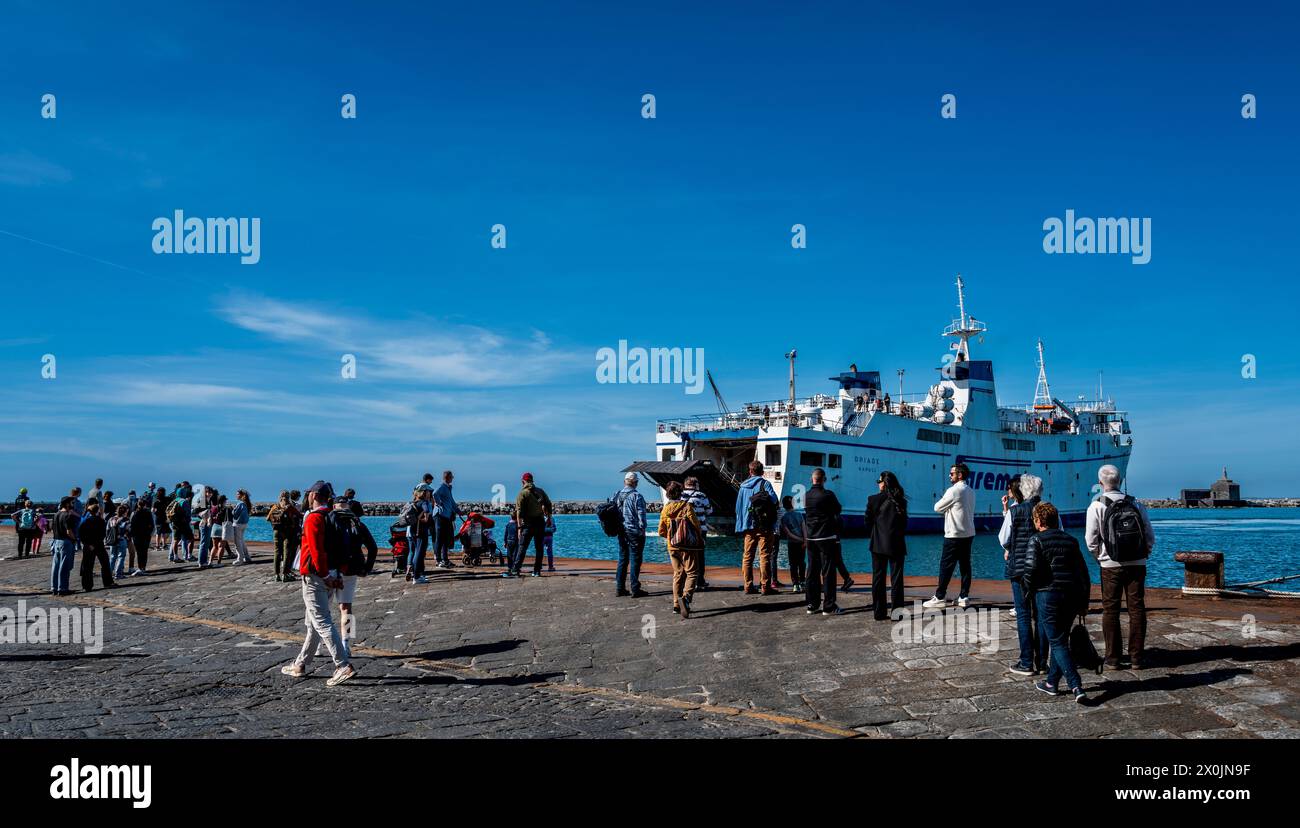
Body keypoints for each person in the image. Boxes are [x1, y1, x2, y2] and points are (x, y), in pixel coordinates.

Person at [281, 481, 356, 687]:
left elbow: (315, 550)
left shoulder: (314, 518)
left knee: (321, 621)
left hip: (317, 577)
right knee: (314, 622)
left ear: (313, 495)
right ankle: (301, 664)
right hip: (333, 573)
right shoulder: (334, 517)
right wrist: (337, 573)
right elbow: (342, 547)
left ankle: (342, 665)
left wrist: (324, 575)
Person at [1085, 464, 1155, 669]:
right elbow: (1149, 535)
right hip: (1137, 563)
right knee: (1137, 608)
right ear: (1120, 481)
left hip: (1110, 565)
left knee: (1111, 610)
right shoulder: (1136, 504)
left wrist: (1101, 557)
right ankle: (1136, 657)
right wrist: (1144, 555)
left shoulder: (1096, 506)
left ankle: (1113, 658)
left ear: (1100, 483)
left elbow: (1090, 540)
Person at [1023, 502, 1091, 703]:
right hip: (1070, 595)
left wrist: (1028, 592)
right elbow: (1083, 574)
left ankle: (1075, 685)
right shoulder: (1071, 541)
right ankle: (1051, 682)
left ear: (1038, 520)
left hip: (1047, 595)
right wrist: (1084, 601)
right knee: (1061, 638)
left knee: (1057, 642)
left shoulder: (1036, 540)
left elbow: (1029, 571)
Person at [1002, 474, 1045, 675]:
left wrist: (1012, 546)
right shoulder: (1048, 510)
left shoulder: (1015, 511)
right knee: (1041, 615)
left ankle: (1026, 662)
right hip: (1043, 569)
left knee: (1023, 615)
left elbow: (1003, 539)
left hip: (1019, 569)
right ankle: (1043, 662)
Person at [924, 463, 976, 608]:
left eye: (952, 473)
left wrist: (947, 505)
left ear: (960, 475)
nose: (949, 475)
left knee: (946, 566)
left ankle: (940, 596)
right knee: (965, 566)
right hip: (969, 533)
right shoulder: (971, 491)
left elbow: (937, 507)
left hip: (954, 535)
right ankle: (964, 596)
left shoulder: (953, 491)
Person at [865, 471, 908, 621]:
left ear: (884, 483)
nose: (878, 484)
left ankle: (879, 612)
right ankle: (897, 613)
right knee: (897, 579)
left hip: (877, 544)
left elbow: (867, 522)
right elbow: (904, 525)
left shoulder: (872, 499)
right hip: (896, 544)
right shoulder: (901, 501)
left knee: (878, 578)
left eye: (879, 481)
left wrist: (878, 530)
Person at [657, 481, 703, 618]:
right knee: (693, 573)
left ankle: (676, 604)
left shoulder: (665, 509)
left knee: (678, 574)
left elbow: (661, 531)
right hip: (687, 546)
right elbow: (696, 525)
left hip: (672, 546)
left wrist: (672, 537)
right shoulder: (686, 506)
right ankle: (686, 598)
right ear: (680, 492)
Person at [734, 460, 779, 595]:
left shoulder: (742, 487)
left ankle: (748, 585)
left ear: (750, 471)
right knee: (765, 555)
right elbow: (774, 500)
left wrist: (741, 523)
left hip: (748, 525)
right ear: (762, 472)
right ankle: (765, 586)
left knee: (747, 556)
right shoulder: (765, 484)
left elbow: (738, 507)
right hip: (764, 525)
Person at [803, 468, 843, 615]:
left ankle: (812, 604)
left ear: (811, 479)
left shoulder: (806, 496)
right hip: (826, 537)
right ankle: (829, 606)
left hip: (811, 537)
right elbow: (838, 510)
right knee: (828, 572)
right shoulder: (828, 495)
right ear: (824, 479)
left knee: (812, 571)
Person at [507, 472, 553, 578]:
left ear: (523, 481)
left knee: (522, 547)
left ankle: (516, 569)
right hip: (540, 523)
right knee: (539, 548)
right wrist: (549, 517)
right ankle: (537, 571)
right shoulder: (540, 491)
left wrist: (519, 528)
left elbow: (519, 512)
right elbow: (548, 503)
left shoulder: (522, 494)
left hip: (528, 524)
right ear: (532, 480)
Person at [610, 473, 647, 596]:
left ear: (624, 481)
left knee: (622, 559)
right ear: (635, 482)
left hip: (621, 531)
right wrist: (642, 530)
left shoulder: (616, 495)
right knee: (635, 560)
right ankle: (635, 589)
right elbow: (641, 517)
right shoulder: (637, 496)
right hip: (634, 532)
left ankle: (620, 588)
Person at [681, 476, 713, 589]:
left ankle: (686, 580)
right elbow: (709, 511)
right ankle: (700, 581)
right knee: (700, 556)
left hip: (684, 530)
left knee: (686, 555)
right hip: (700, 530)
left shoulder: (680, 495)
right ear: (696, 484)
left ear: (685, 484)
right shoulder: (702, 495)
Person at [77, 501, 114, 592]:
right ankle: (107, 582)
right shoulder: (101, 520)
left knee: (87, 566)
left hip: (88, 545)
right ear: (97, 511)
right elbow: (103, 534)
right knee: (105, 564)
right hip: (99, 544)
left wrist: (88, 544)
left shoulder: (85, 521)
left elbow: (81, 534)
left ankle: (87, 585)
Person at [432, 470, 465, 569]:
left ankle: (445, 560)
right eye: (452, 477)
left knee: (446, 538)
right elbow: (434, 494)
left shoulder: (447, 488)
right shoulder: (442, 486)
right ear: (447, 477)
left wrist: (459, 511)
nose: (453, 478)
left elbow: (452, 502)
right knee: (440, 538)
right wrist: (439, 504)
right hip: (440, 516)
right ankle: (438, 560)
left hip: (446, 517)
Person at [268, 490, 302, 581]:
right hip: (288, 532)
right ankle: (285, 574)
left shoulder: (275, 506)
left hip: (276, 531)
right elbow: (299, 516)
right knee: (287, 553)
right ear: (288, 497)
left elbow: (268, 518)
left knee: (277, 553)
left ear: (279, 497)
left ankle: (276, 575)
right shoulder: (290, 507)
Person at [49, 497, 80, 595]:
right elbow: (69, 531)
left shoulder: (56, 514)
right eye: (71, 503)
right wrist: (74, 539)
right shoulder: (67, 515)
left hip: (56, 541)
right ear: (67, 504)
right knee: (65, 566)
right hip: (65, 542)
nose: (73, 504)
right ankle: (62, 588)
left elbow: (52, 528)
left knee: (56, 566)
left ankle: (54, 587)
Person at [402, 487, 433, 583]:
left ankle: (417, 575)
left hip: (412, 529)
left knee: (416, 551)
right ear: (424, 493)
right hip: (421, 530)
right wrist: (426, 518)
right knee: (419, 553)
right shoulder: (423, 502)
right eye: (428, 492)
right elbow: (427, 510)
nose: (429, 493)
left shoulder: (414, 502)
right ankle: (416, 576)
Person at [778, 496, 806, 593]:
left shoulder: (784, 518)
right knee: (801, 563)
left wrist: (799, 539)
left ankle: (795, 584)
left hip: (792, 543)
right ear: (793, 504)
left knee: (793, 564)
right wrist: (805, 540)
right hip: (802, 543)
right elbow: (804, 528)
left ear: (784, 506)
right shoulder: (799, 515)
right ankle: (803, 582)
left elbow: (788, 533)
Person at [128, 499, 154, 576]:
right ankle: (143, 567)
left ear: (138, 505)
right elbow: (152, 525)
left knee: (139, 552)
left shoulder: (134, 513)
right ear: (145, 505)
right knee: (144, 551)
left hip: (137, 536)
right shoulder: (148, 513)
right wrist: (150, 533)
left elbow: (131, 525)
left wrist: (132, 535)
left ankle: (140, 567)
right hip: (146, 535)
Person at [107, 503, 132, 579]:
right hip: (121, 539)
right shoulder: (126, 520)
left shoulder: (111, 519)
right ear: (125, 512)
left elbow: (107, 529)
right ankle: (118, 574)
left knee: (112, 557)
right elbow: (128, 530)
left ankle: (109, 573)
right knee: (121, 556)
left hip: (112, 540)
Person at [229, 489, 252, 565]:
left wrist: (232, 509)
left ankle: (240, 559)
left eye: (238, 494)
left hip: (238, 524)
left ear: (242, 495)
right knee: (242, 541)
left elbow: (234, 514)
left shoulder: (240, 504)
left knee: (237, 543)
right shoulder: (246, 504)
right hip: (244, 524)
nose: (236, 495)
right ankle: (247, 557)